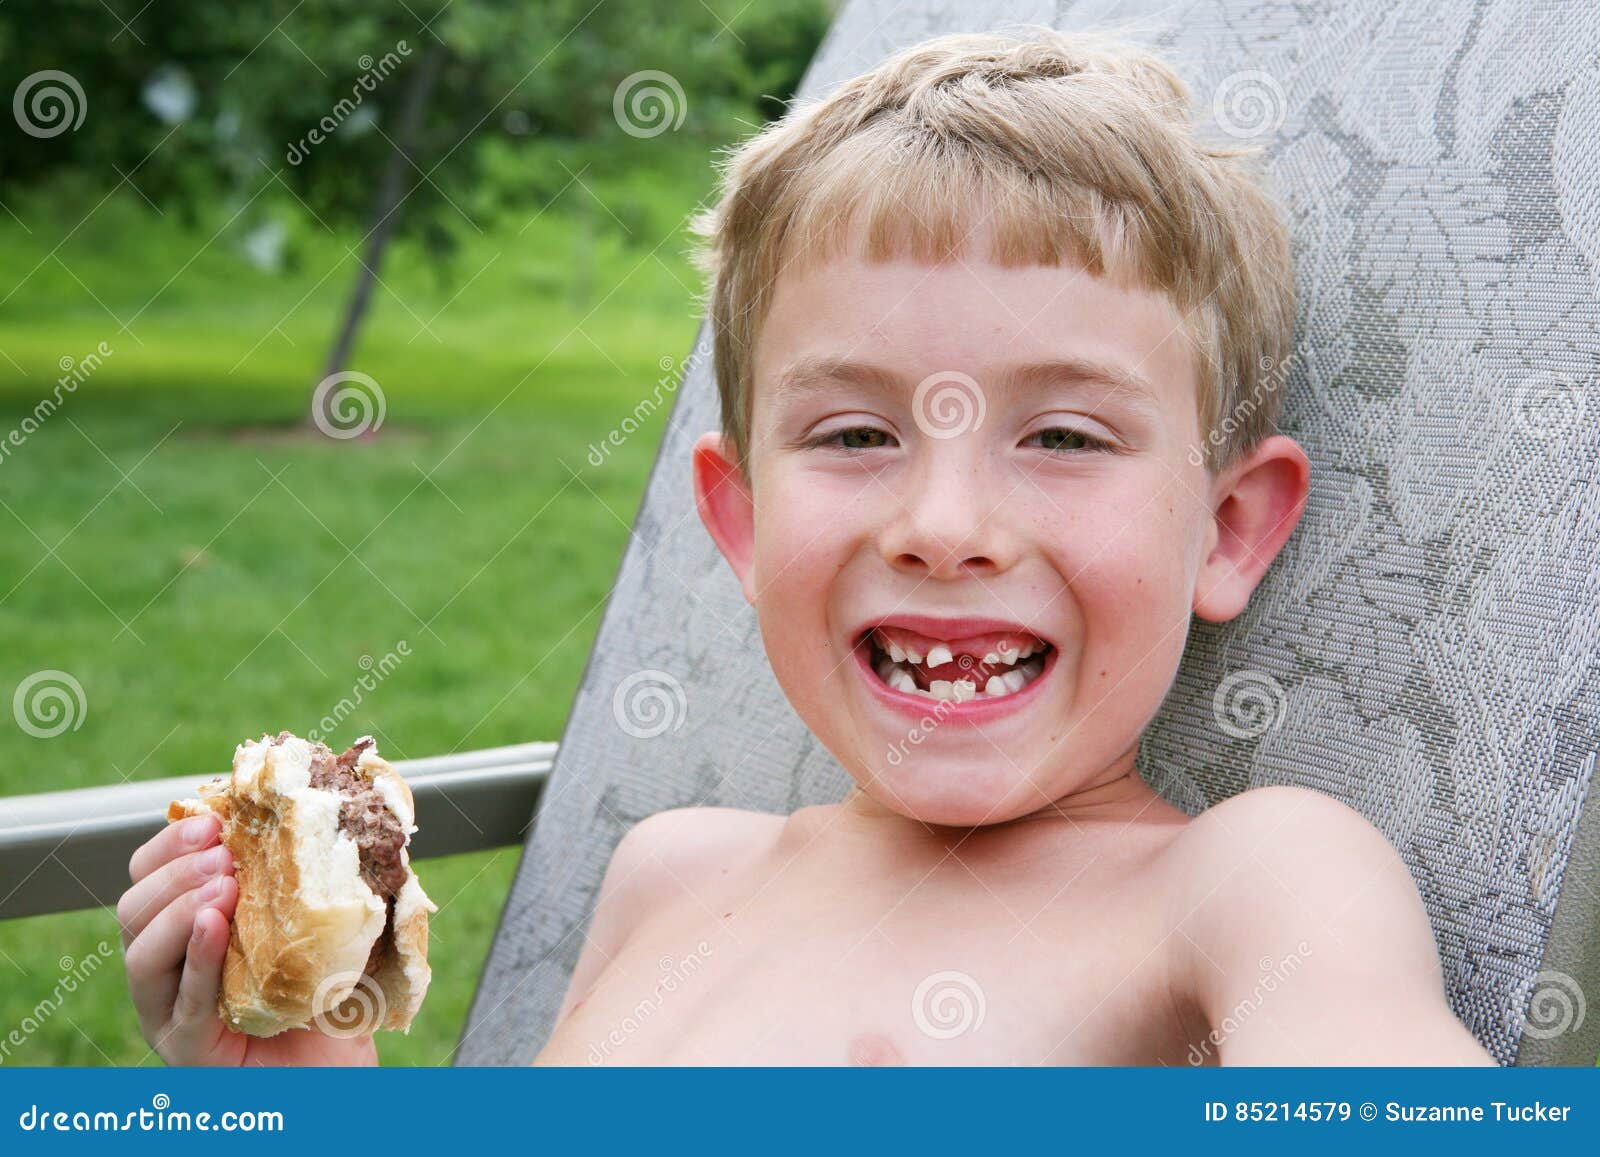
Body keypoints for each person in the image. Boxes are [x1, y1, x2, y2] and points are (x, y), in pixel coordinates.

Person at [121, 25, 1494, 1066]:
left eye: (1065, 438)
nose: (944, 527)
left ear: (1229, 526)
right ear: (743, 518)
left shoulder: (1247, 882)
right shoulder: (674, 872)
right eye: (853, 436)